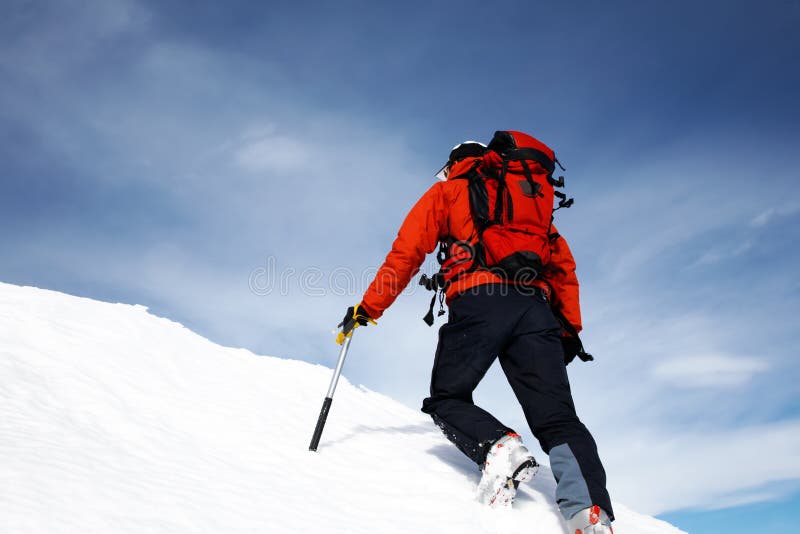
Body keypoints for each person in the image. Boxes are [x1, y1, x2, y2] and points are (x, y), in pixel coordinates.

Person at [338, 131, 613, 533]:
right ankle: (589, 512)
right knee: (558, 419)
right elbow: (563, 271)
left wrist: (368, 308)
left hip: (479, 298)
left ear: (454, 165)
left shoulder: (449, 192)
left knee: (448, 397)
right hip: (536, 310)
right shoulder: (532, 208)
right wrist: (569, 331)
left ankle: (500, 448)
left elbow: (407, 252)